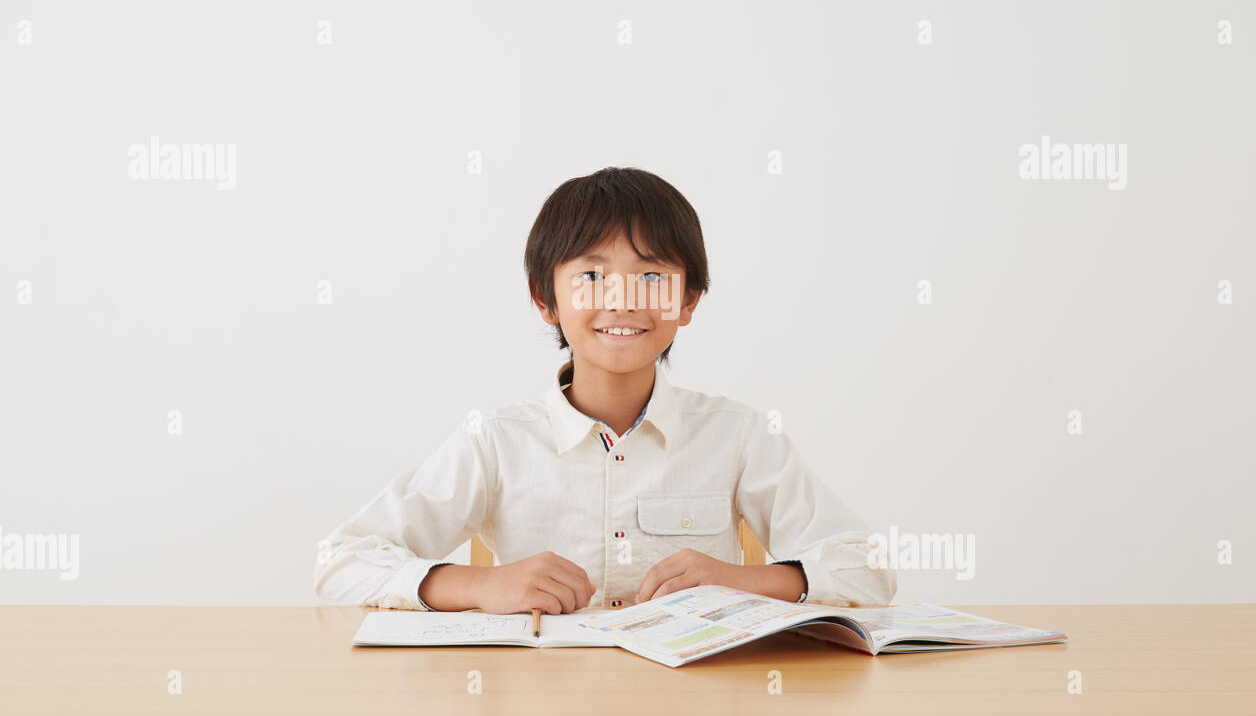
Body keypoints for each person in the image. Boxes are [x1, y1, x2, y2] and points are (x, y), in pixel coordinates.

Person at [313, 167, 897, 614]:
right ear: (547, 303)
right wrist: (482, 584)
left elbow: (868, 570)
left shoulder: (738, 436)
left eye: (652, 276)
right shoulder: (496, 443)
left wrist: (746, 579)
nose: (623, 300)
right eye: (591, 276)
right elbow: (341, 563)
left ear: (687, 301)